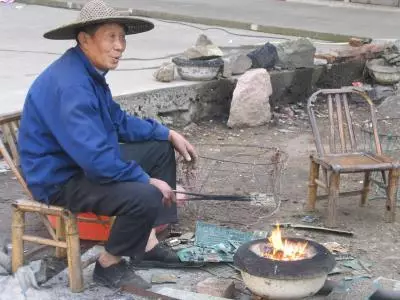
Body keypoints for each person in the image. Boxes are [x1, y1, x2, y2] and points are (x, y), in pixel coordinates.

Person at [18, 0, 196, 289]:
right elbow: (97, 162)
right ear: (85, 39)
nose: (120, 46)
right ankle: (109, 264)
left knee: (159, 147)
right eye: (110, 37)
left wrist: (166, 132)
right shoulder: (72, 85)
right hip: (60, 178)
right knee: (145, 195)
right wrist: (145, 180)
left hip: (81, 162)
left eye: (122, 37)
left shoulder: (87, 73)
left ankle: (146, 245)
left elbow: (118, 122)